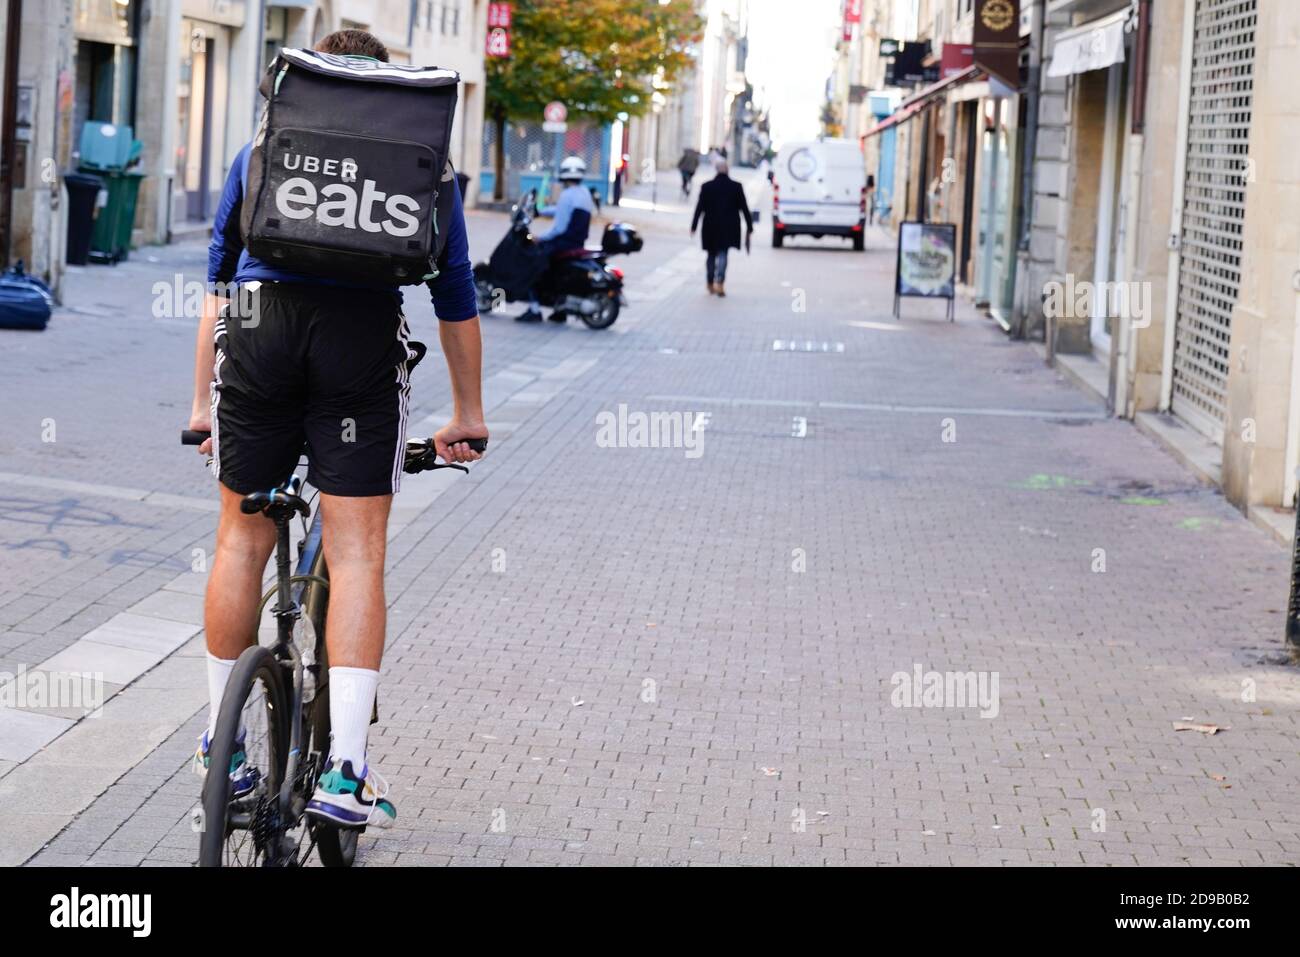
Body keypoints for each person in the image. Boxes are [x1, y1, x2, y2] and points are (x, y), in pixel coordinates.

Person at [187, 29, 487, 829]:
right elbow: (454, 299)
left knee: (238, 538)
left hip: (256, 327)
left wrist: (198, 405)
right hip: (357, 333)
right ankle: (346, 773)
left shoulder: (259, 152)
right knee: (357, 551)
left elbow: (219, 283)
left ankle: (226, 754)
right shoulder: (425, 170)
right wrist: (469, 414)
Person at [518, 155, 594, 323]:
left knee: (531, 264)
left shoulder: (567, 194)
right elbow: (561, 210)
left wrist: (539, 238)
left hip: (563, 243)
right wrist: (541, 211)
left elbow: (559, 228)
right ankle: (560, 310)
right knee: (554, 271)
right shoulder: (584, 192)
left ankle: (535, 309)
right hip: (576, 242)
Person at [691, 158, 752, 297]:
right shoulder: (736, 186)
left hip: (710, 227)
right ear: (727, 169)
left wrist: (694, 226)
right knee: (723, 253)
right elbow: (744, 208)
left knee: (711, 254)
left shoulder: (707, 186)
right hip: (728, 227)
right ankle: (720, 283)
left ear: (716, 170)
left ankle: (710, 282)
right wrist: (750, 226)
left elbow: (699, 208)